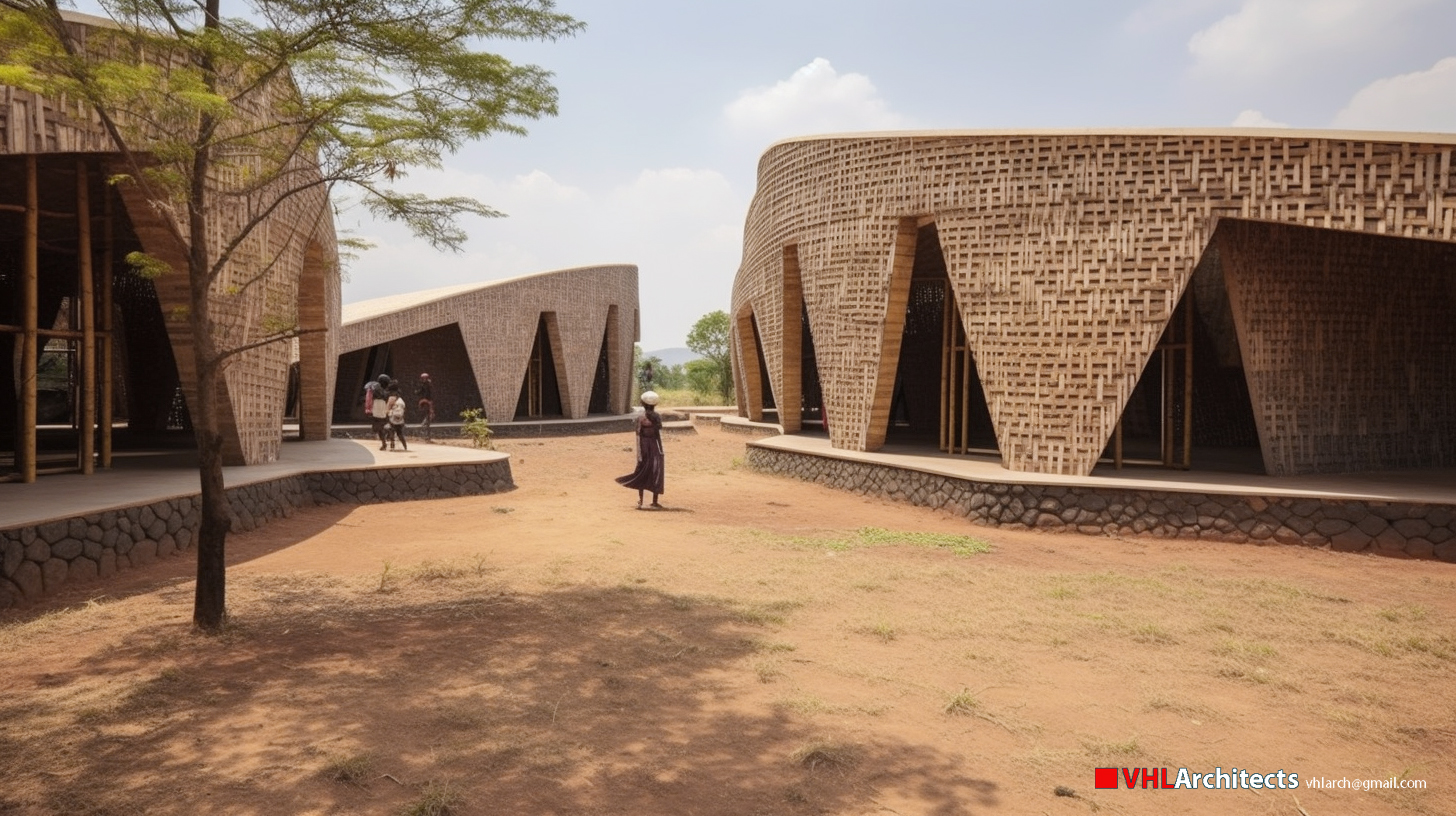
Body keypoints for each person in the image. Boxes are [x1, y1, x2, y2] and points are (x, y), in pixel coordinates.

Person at [616, 390, 665, 509]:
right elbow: (642, 435)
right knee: (648, 471)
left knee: (649, 471)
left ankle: (646, 501)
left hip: (649, 446)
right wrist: (658, 449)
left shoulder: (649, 418)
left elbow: (643, 435)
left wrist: (658, 450)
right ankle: (647, 500)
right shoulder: (648, 417)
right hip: (649, 446)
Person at [365, 374, 393, 451]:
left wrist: (368, 409)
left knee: (377, 427)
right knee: (380, 426)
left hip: (377, 408)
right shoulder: (384, 391)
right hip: (382, 407)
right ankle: (386, 440)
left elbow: (369, 396)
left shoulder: (375, 386)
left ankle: (385, 439)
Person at [385, 381, 408, 451]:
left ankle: (392, 446)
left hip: (393, 418)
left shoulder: (391, 398)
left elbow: (388, 409)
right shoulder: (399, 397)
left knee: (391, 431)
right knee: (399, 433)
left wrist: (386, 414)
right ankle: (405, 446)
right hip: (400, 418)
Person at [415, 372, 435, 441]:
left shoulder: (425, 385)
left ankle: (426, 434)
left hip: (426, 402)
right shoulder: (429, 384)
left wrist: (417, 392)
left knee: (428, 417)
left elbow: (422, 392)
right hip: (427, 402)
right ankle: (427, 435)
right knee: (428, 417)